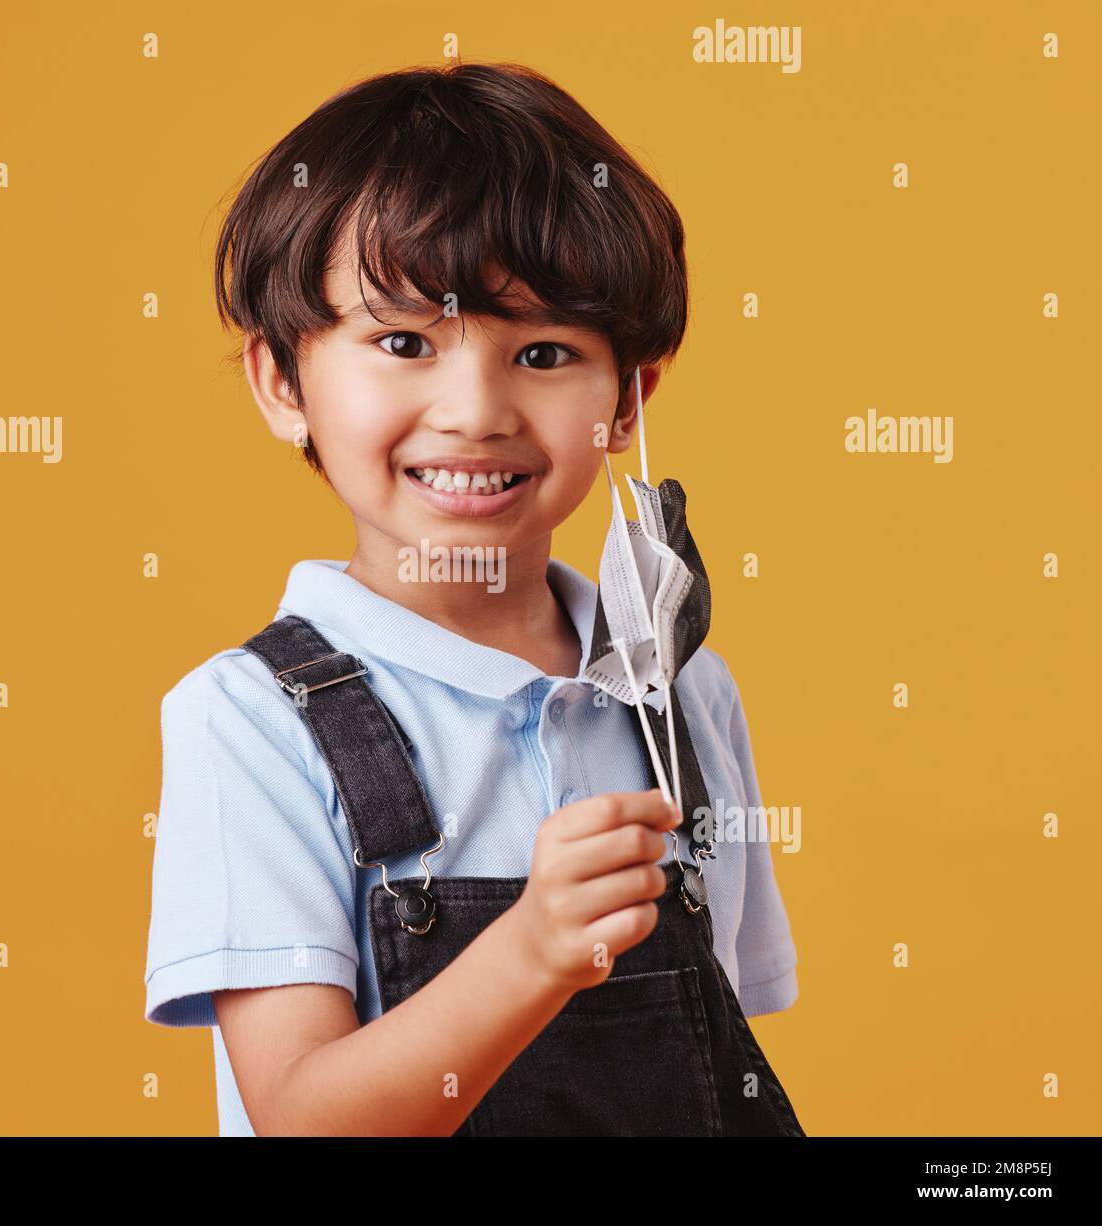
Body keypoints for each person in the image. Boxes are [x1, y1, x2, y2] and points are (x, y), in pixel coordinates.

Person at [143, 60, 802, 1137]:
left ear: (630, 395)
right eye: (403, 343)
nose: (475, 409)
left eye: (542, 352)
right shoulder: (248, 719)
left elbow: (717, 1056)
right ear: (280, 383)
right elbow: (305, 1118)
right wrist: (532, 949)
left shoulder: (684, 695)